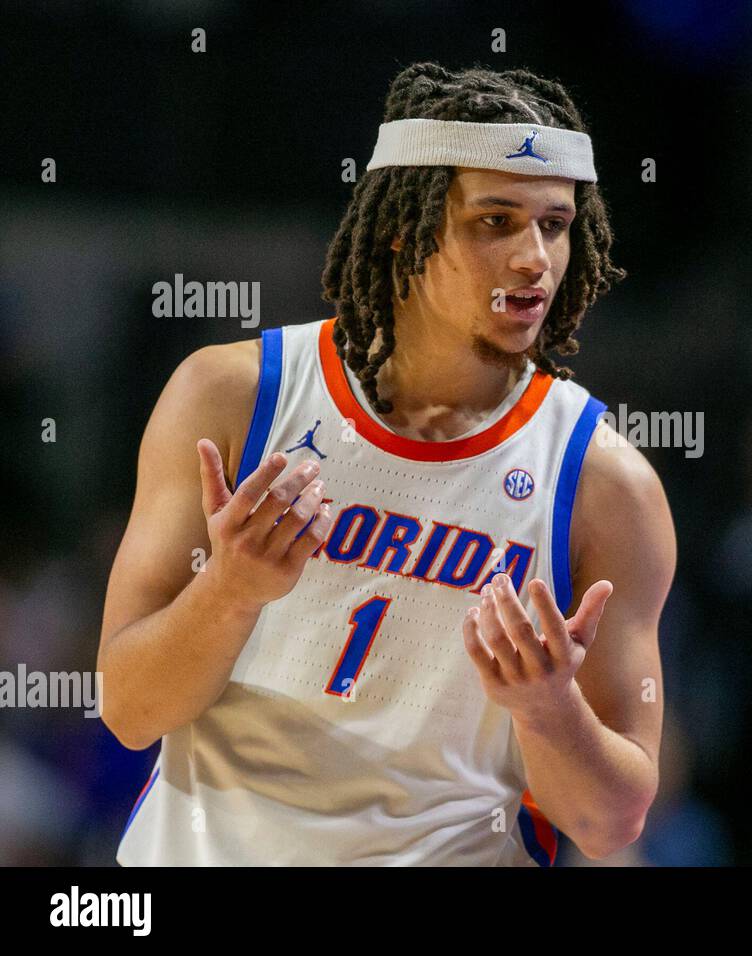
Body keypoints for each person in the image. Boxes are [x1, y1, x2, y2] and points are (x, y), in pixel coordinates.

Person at [99, 63, 676, 866]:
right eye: (494, 220)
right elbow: (128, 709)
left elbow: (612, 824)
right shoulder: (232, 395)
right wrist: (229, 591)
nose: (533, 257)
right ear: (404, 225)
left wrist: (549, 711)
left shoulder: (608, 484)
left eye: (554, 223)